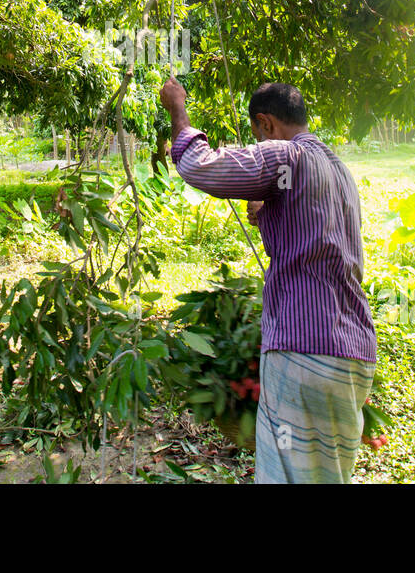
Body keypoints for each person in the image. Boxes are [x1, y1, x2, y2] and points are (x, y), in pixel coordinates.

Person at [159, 78, 377, 483]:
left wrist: (177, 107)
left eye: (257, 133)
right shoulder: (340, 172)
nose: (257, 141)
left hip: (303, 351)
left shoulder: (286, 157)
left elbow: (198, 165)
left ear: (267, 124)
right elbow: (317, 241)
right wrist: (270, 212)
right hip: (354, 356)